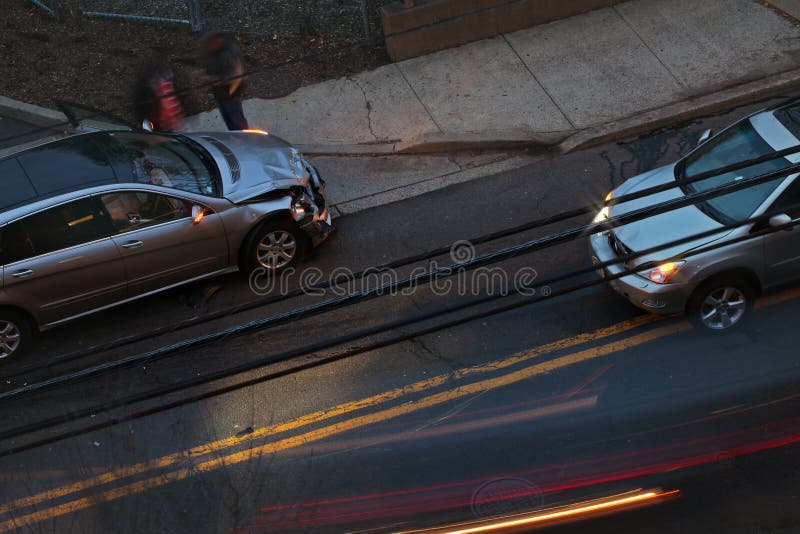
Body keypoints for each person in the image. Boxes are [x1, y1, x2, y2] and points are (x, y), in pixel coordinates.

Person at [201, 32, 249, 131]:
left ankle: (244, 138)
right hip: (220, 92)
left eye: (210, 45)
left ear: (218, 41)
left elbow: (237, 75)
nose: (208, 48)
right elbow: (208, 67)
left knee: (236, 119)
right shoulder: (212, 51)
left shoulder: (229, 53)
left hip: (230, 93)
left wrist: (214, 80)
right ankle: (234, 135)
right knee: (227, 117)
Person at [133, 61, 185, 133]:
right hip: (159, 127)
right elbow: (142, 108)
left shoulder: (170, 84)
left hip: (171, 126)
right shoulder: (147, 89)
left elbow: (177, 101)